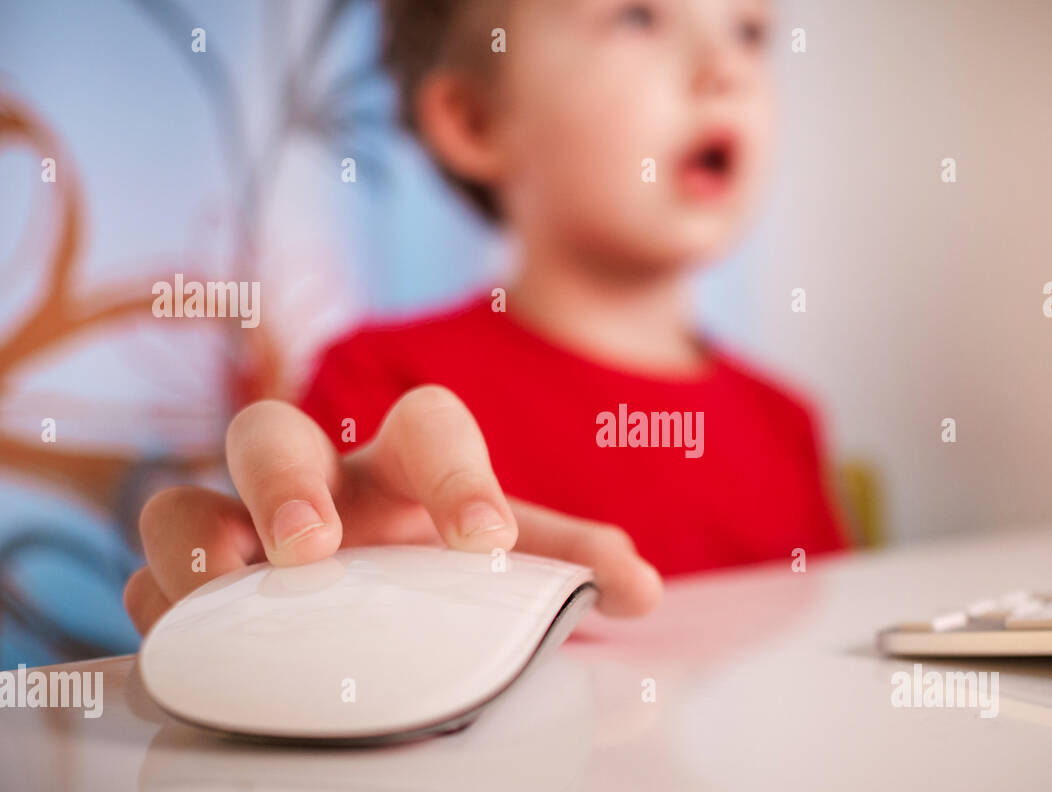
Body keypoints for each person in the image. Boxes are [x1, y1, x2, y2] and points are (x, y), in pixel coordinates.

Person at [123, 0, 846, 638]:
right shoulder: (384, 386)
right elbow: (330, 649)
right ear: (474, 120)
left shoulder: (789, 422)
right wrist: (308, 601)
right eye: (637, 15)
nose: (724, 69)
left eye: (750, 30)